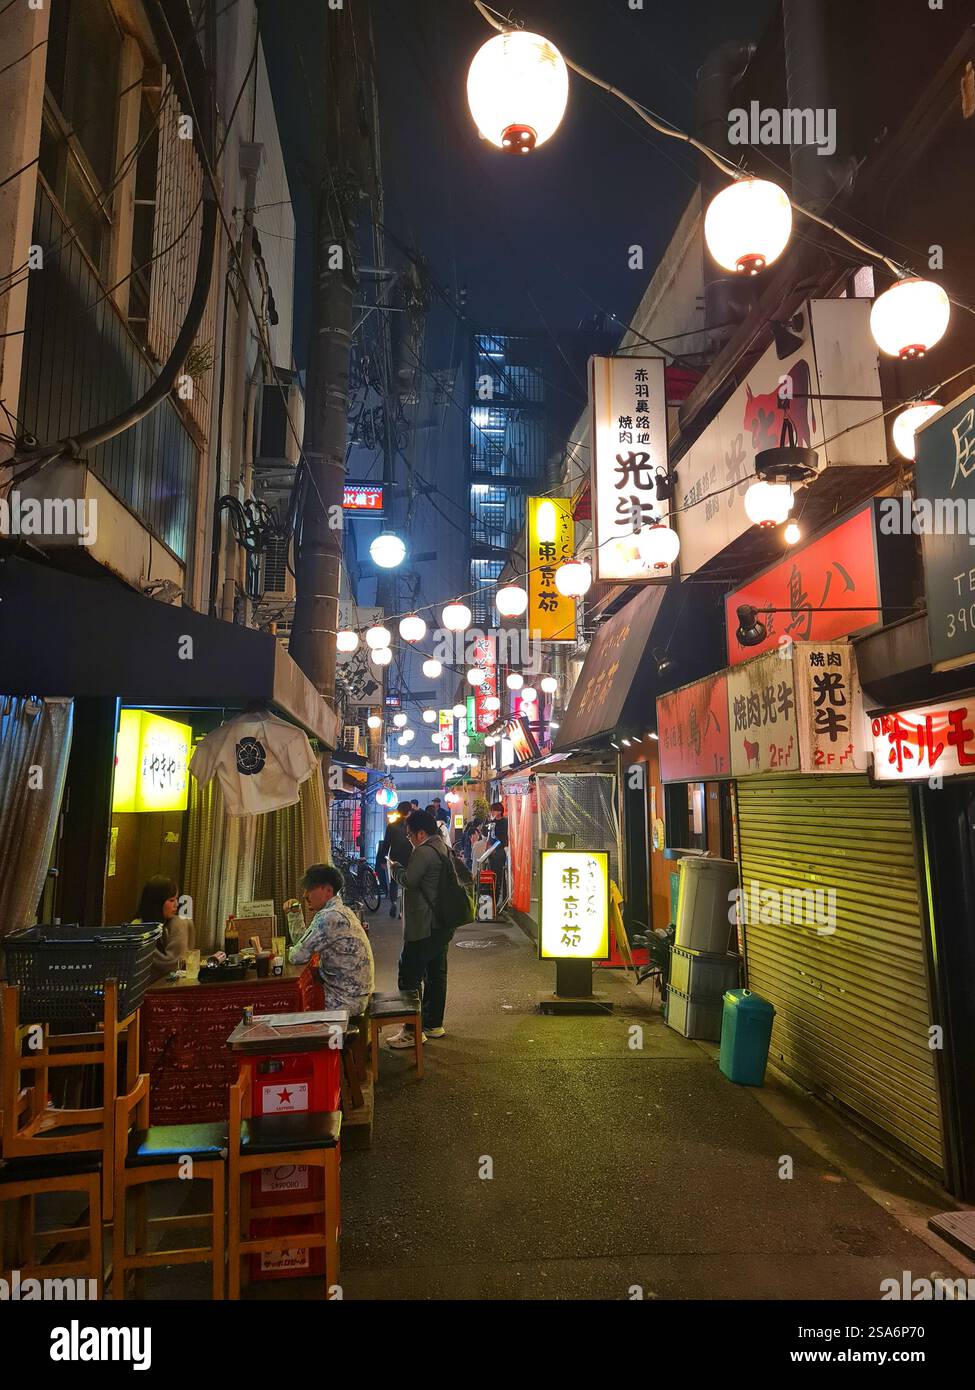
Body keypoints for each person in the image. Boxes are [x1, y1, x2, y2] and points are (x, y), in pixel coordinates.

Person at [387, 809, 452, 1046]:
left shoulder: (424, 852)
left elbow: (409, 880)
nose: (408, 838)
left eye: (410, 834)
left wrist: (393, 868)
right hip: (441, 924)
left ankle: (411, 1031)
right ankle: (433, 1024)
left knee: (409, 974)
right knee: (435, 974)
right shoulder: (442, 847)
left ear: (421, 833)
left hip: (423, 925)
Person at [288, 863, 375, 1015]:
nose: (304, 895)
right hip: (355, 995)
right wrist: (294, 914)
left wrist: (286, 951)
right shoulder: (340, 911)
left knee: (292, 1004)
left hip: (344, 1000)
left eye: (309, 889)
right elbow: (302, 945)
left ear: (328, 891)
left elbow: (297, 956)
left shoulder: (330, 917)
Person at [134, 876, 193, 978]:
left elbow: (185, 960)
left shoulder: (173, 923)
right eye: (171, 900)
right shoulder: (137, 929)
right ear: (157, 903)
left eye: (176, 899)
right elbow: (172, 964)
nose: (176, 904)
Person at [377, 811, 413, 918]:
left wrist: (383, 860)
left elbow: (386, 843)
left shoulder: (391, 826)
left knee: (394, 881)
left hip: (395, 857)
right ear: (408, 812)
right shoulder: (410, 826)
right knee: (407, 883)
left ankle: (394, 902)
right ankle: (402, 911)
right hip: (408, 856)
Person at [487, 800, 509, 903]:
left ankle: (499, 898)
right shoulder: (492, 822)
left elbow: (502, 837)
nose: (492, 812)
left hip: (499, 851)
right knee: (493, 874)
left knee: (499, 875)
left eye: (493, 810)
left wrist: (495, 848)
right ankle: (492, 898)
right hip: (492, 852)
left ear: (499, 811)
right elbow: (489, 836)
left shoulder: (504, 822)